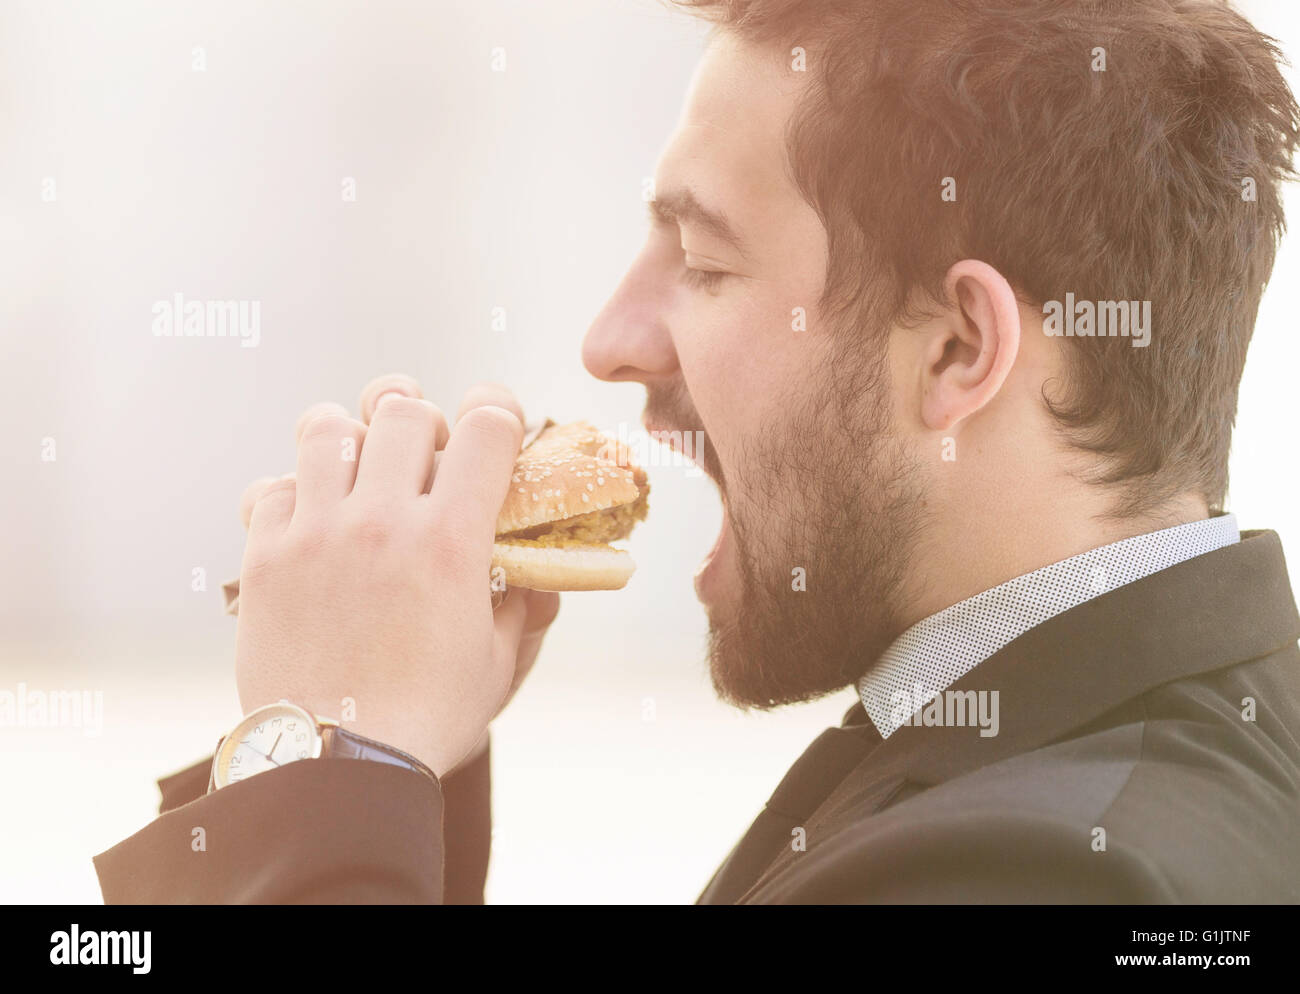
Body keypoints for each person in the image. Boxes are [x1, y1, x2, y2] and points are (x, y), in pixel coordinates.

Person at [96, 0, 1300, 903]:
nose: (611, 342)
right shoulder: (1160, 752)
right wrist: (408, 779)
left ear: (955, 353)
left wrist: (333, 755)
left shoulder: (1039, 874)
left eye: (707, 263)